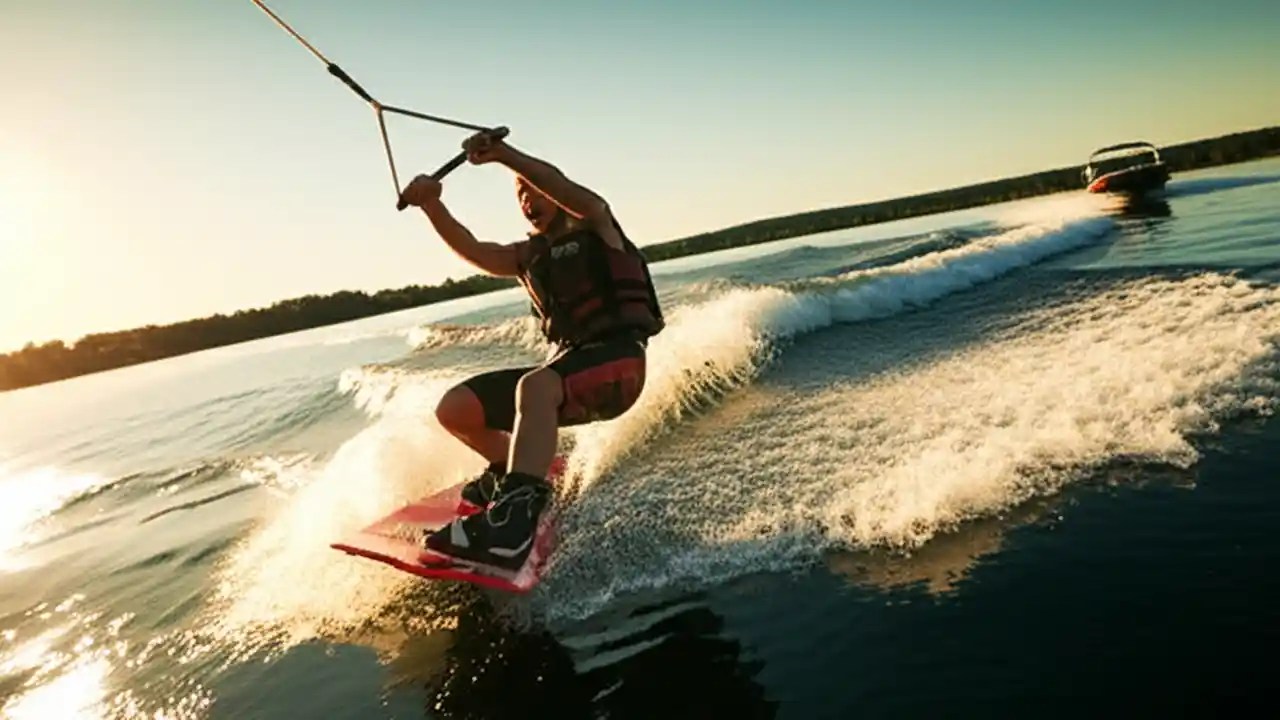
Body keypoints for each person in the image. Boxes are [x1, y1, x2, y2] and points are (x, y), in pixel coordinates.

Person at [397, 129, 665, 571]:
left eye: (532, 189)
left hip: (619, 367)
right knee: (456, 408)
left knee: (535, 385)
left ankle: (512, 524)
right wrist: (431, 204)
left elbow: (562, 186)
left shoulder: (598, 224)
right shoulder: (528, 257)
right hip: (570, 374)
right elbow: (474, 249)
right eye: (520, 195)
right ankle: (512, 469)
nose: (527, 198)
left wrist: (505, 157)